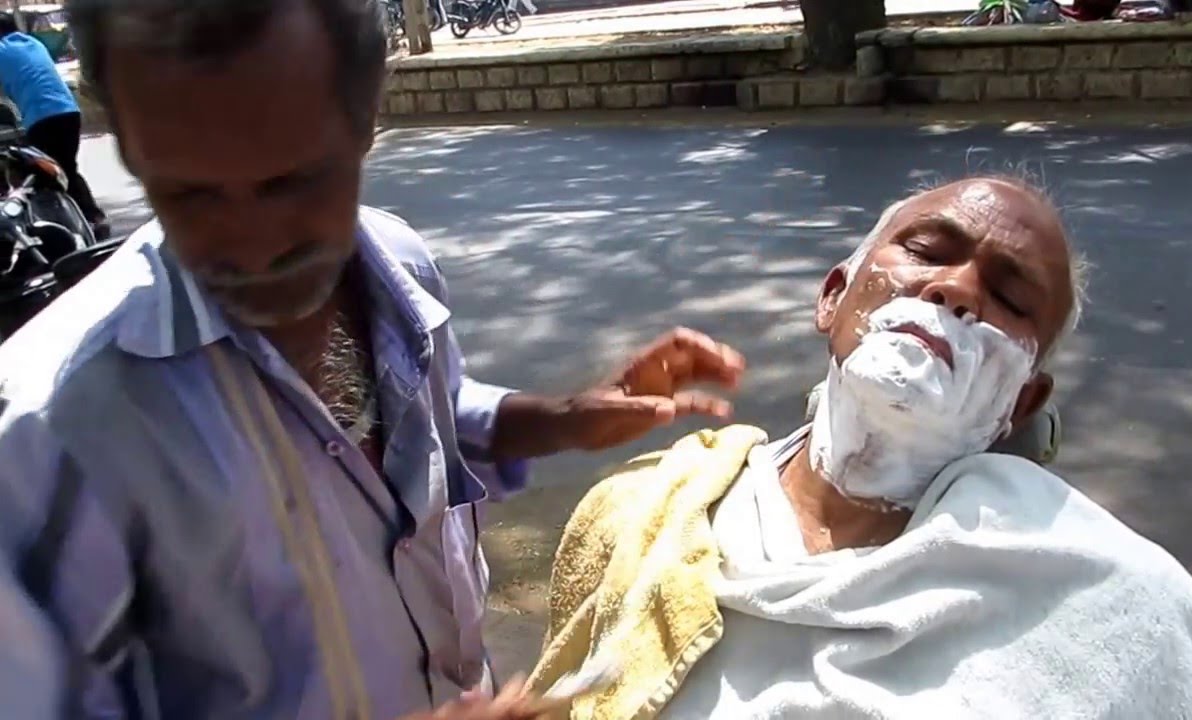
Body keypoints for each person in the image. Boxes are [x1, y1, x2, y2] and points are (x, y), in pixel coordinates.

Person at [0, 1, 744, 718]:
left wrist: (567, 418)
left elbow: (439, 419)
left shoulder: (397, 263)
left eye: (294, 182)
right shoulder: (49, 434)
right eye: (188, 193)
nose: (253, 244)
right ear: (128, 148)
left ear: (364, 120)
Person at [529, 177, 1192, 719]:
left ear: (1018, 403)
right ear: (834, 297)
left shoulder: (1109, 594)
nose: (955, 290)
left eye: (1010, 300)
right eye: (926, 251)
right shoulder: (643, 514)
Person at [0, 12, 109, 239]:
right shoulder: (33, 43)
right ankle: (93, 219)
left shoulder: (1, 51)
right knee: (65, 169)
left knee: (41, 174)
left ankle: (70, 228)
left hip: (42, 117)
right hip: (69, 112)